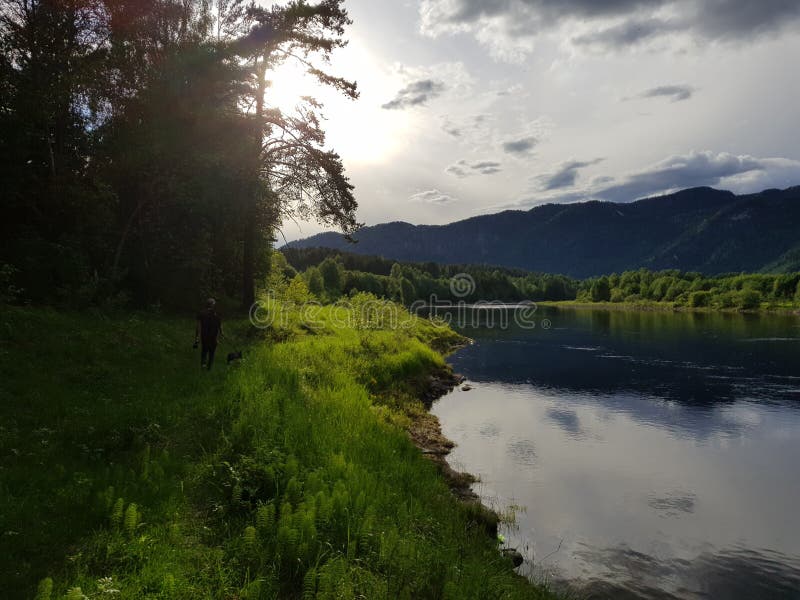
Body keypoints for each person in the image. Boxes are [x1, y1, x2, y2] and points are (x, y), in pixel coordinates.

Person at [195, 298, 223, 370]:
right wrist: (220, 335)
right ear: (213, 305)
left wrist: (197, 337)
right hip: (213, 337)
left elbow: (198, 326)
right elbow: (220, 326)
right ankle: (209, 368)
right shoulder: (216, 314)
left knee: (204, 350)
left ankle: (203, 364)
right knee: (212, 353)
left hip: (204, 336)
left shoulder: (201, 313)